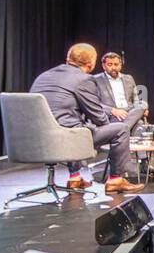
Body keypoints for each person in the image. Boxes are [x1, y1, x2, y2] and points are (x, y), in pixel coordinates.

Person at [29, 43, 143, 194]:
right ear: (92, 63)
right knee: (120, 129)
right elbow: (99, 118)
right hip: (65, 138)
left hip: (36, 139)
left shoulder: (43, 76)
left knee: (73, 124)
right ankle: (115, 180)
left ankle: (75, 178)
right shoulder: (83, 79)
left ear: (68, 59)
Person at [90, 52, 146, 131]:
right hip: (113, 114)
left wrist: (140, 110)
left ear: (120, 65)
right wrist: (113, 110)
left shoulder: (128, 78)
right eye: (110, 64)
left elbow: (136, 99)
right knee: (139, 123)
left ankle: (121, 129)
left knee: (143, 104)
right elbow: (93, 103)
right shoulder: (95, 79)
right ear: (103, 66)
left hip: (129, 111)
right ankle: (123, 129)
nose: (113, 67)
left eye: (116, 64)